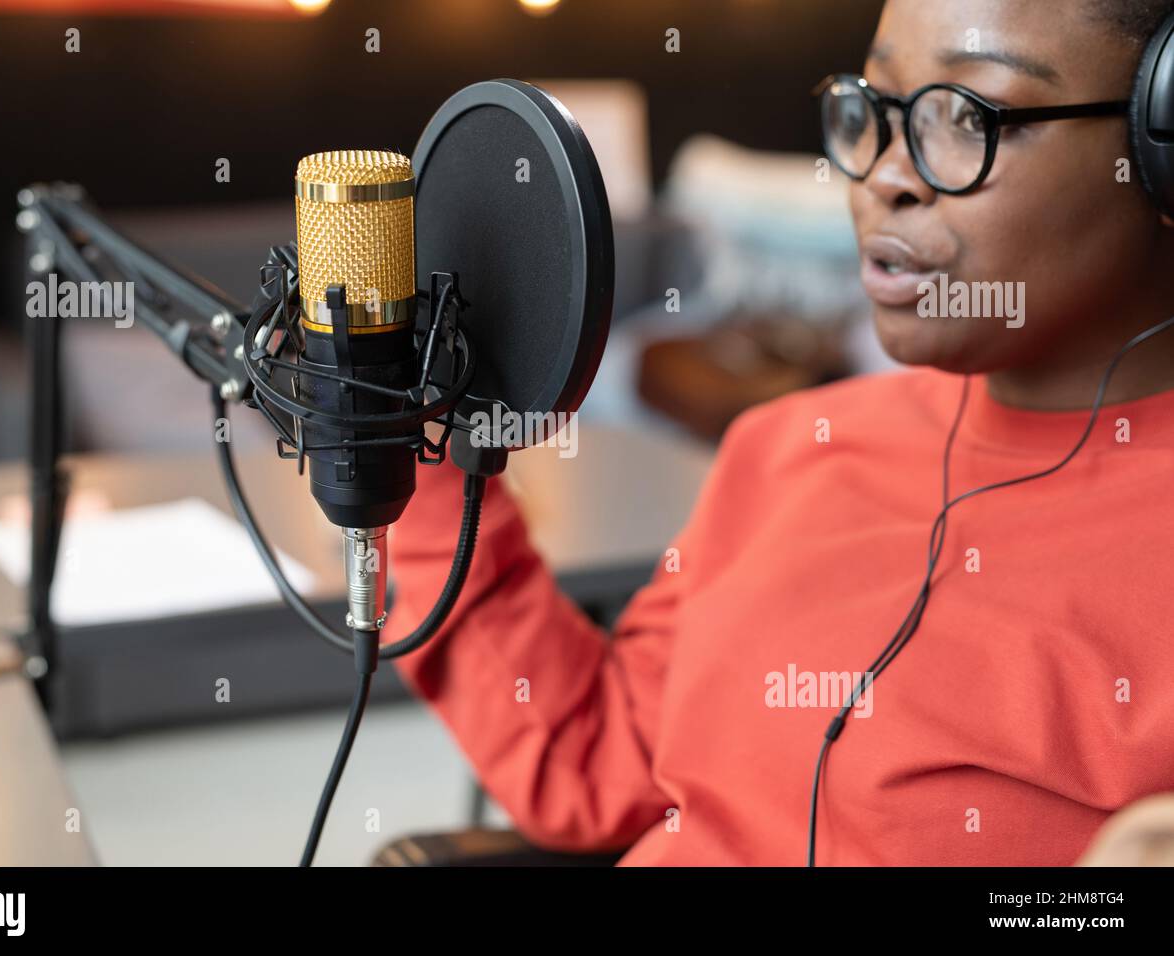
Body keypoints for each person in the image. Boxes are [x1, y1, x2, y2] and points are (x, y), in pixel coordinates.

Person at [384, 0, 1174, 866]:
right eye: (875, 108)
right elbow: (597, 765)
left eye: (966, 115)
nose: (883, 177)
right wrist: (411, 446)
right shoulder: (791, 447)